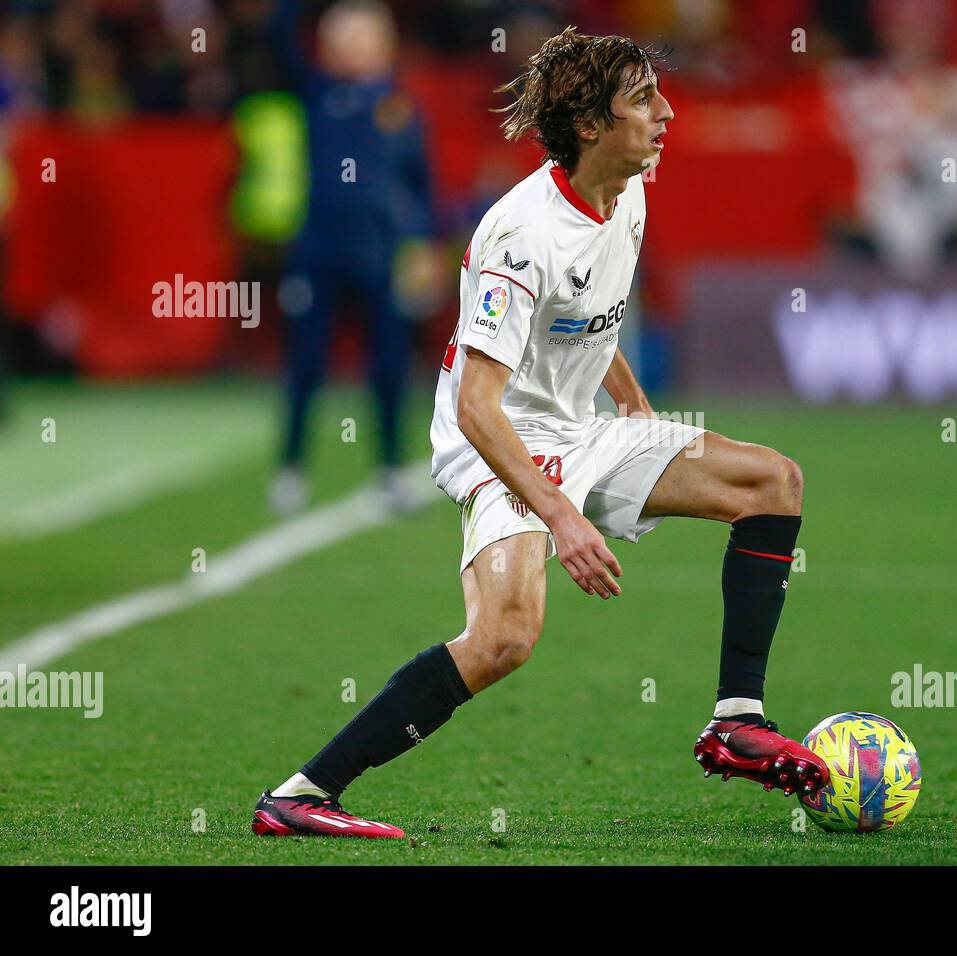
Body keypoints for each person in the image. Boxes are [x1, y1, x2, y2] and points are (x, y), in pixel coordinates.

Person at [252, 26, 826, 838]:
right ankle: (303, 793)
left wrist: (633, 406)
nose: (666, 114)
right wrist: (563, 514)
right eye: (643, 102)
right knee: (506, 637)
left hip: (579, 425)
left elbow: (593, 317)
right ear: (590, 125)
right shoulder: (520, 235)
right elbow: (480, 407)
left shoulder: (630, 185)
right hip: (498, 435)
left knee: (772, 482)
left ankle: (736, 719)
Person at [266, 0, 441, 515]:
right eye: (342, 37)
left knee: (388, 366)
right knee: (305, 363)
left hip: (380, 255)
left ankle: (390, 470)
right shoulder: (316, 93)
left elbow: (422, 186)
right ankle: (291, 468)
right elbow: (278, 36)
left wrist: (423, 248)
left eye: (362, 36)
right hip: (318, 251)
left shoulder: (400, 106)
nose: (351, 47)